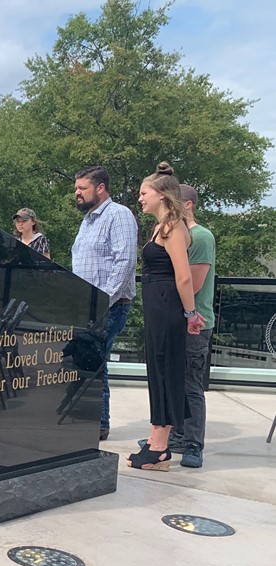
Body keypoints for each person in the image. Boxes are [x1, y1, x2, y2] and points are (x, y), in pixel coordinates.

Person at [128, 163, 203, 471]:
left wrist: (190, 313)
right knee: (156, 367)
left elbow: (184, 277)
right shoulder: (161, 226)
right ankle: (154, 437)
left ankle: (161, 447)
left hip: (167, 305)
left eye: (144, 193)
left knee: (164, 369)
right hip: (157, 304)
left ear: (161, 194)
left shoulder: (173, 227)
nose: (140, 199)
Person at [70, 165, 138, 441]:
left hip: (109, 305)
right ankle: (88, 418)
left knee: (95, 361)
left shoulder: (118, 215)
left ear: (100, 188)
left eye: (82, 188)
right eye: (76, 188)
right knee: (86, 360)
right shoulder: (87, 221)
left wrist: (103, 301)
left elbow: (124, 261)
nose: (77, 193)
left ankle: (98, 422)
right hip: (85, 305)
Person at [177, 184, 215, 468]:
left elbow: (194, 282)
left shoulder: (201, 237)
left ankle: (193, 444)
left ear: (188, 205)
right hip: (176, 321)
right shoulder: (177, 236)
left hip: (196, 323)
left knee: (191, 385)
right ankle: (177, 434)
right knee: (175, 382)